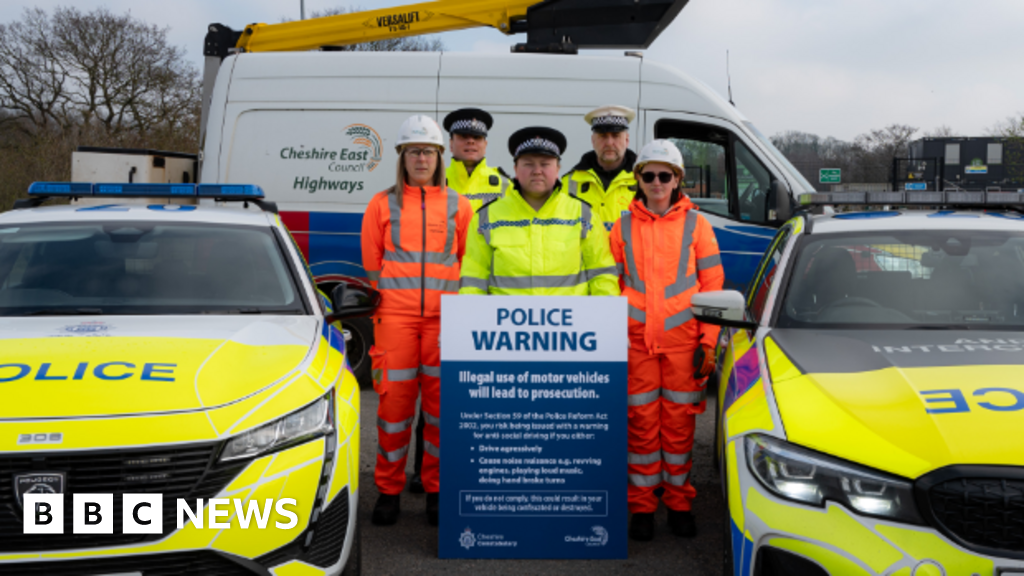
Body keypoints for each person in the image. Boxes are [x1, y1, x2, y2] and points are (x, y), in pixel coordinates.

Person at [361, 114, 474, 527]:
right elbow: (373, 265)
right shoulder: (381, 204)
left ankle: (436, 491)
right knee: (394, 409)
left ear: (440, 156)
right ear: (402, 157)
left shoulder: (460, 205)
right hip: (396, 320)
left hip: (446, 321)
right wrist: (390, 304)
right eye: (413, 151)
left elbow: (467, 262)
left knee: (444, 413)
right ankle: (388, 491)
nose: (421, 158)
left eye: (427, 151)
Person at [608, 140, 724, 541]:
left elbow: (713, 286)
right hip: (634, 344)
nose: (656, 182)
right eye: (648, 175)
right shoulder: (620, 228)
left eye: (665, 175)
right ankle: (642, 506)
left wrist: (708, 341)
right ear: (638, 180)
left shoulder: (698, 225)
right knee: (640, 427)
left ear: (677, 180)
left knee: (678, 431)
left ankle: (678, 503)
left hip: (682, 345)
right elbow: (610, 285)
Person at [459, 126, 619, 296]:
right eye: (528, 164)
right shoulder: (487, 218)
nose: (537, 171)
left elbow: (602, 276)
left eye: (545, 164)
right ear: (515, 169)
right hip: (506, 321)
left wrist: (605, 319)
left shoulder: (583, 215)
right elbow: (473, 280)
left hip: (569, 322)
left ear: (558, 169)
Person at [561, 105, 639, 232]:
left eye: (615, 135)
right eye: (603, 136)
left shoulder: (645, 180)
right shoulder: (569, 182)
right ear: (593, 141)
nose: (609, 142)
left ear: (627, 140)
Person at [443, 108, 512, 212]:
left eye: (477, 137)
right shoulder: (435, 180)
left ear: (485, 145)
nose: (471, 141)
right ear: (451, 144)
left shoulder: (505, 184)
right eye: (463, 136)